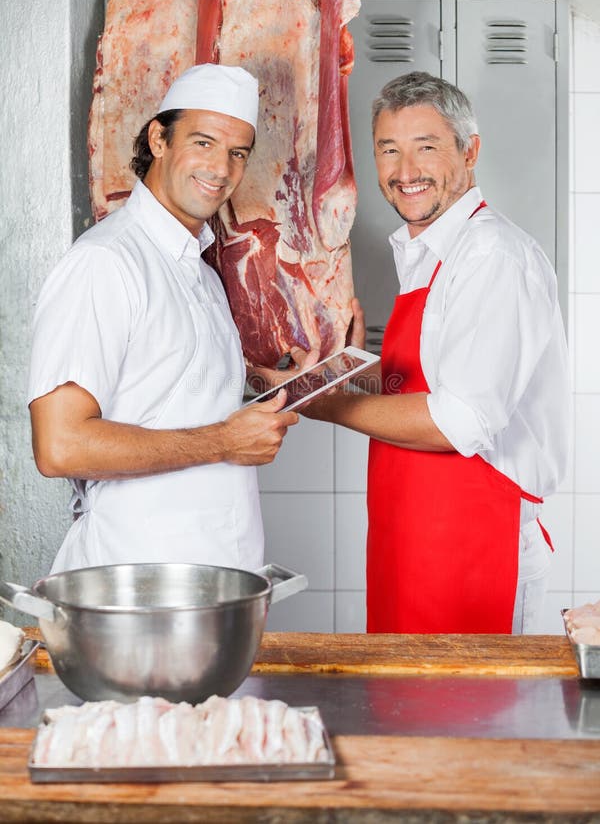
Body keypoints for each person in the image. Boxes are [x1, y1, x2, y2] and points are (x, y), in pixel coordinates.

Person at [300, 71, 571, 634]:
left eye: (427, 147)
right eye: (389, 150)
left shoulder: (492, 255)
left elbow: (457, 423)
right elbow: (428, 390)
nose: (405, 172)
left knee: (469, 716)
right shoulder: (429, 253)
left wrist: (325, 402)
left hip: (475, 542)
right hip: (413, 535)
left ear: (469, 152)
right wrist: (353, 377)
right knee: (407, 711)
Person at [28, 63, 298, 574]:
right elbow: (60, 445)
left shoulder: (200, 270)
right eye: (203, 142)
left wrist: (275, 384)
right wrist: (224, 441)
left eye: (237, 153)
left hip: (215, 584)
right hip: (134, 586)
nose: (221, 169)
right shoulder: (106, 262)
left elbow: (171, 394)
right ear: (158, 138)